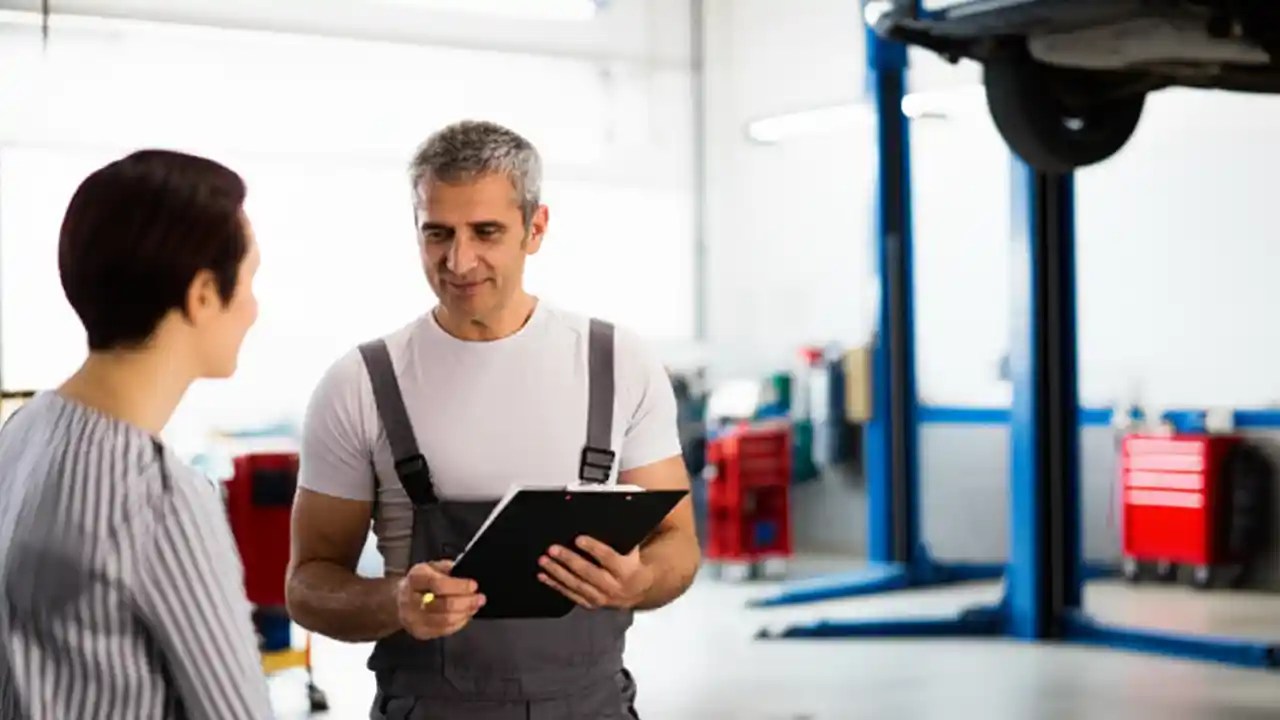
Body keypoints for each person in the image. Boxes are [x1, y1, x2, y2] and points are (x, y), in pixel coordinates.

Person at [286, 119, 701, 719]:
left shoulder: (618, 366)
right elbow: (308, 583)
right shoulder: (362, 383)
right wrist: (397, 601)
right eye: (438, 234)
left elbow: (678, 544)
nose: (459, 260)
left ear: (536, 229)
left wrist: (639, 582)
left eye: (485, 232)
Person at [0, 150, 273, 719]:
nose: (253, 307)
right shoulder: (159, 496)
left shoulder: (22, 434)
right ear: (202, 295)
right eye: (249, 280)